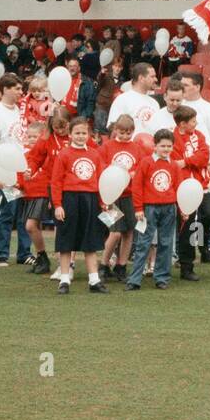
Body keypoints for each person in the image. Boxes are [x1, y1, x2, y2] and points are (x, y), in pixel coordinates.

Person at [50, 116, 108, 295]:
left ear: (89, 134)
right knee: (67, 241)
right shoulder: (64, 154)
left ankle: (94, 280)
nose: (81, 136)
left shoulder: (94, 154)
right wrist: (58, 205)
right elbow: (56, 181)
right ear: (70, 134)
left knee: (90, 242)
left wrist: (103, 201)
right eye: (77, 133)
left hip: (90, 200)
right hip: (70, 200)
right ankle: (65, 279)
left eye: (84, 133)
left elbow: (101, 180)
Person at [0, 73, 33, 268]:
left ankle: (24, 252)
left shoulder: (20, 111)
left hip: (23, 169)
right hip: (6, 170)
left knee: (24, 214)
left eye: (21, 88)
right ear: (5, 89)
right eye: (17, 88)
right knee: (8, 213)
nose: (21, 92)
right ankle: (2, 253)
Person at [127, 128, 181, 291]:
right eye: (163, 146)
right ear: (155, 146)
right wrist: (138, 208)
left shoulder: (174, 165)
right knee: (143, 243)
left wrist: (182, 206)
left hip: (169, 207)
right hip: (149, 208)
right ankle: (134, 279)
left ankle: (162, 277)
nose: (166, 149)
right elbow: (137, 186)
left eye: (169, 146)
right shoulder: (146, 162)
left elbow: (179, 186)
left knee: (166, 243)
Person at [22, 110, 70, 277]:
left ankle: (64, 264)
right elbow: (35, 158)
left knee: (61, 225)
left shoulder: (76, 136)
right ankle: (42, 257)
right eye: (57, 127)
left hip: (69, 187)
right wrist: (30, 170)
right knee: (30, 225)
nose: (61, 130)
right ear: (51, 126)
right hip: (47, 185)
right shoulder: (47, 138)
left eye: (63, 127)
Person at [172, 106, 210, 282]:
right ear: (182, 124)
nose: (196, 123)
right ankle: (186, 266)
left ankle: (203, 244)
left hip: (202, 185)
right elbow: (176, 163)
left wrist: (187, 161)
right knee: (187, 226)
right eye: (192, 121)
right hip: (184, 189)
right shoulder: (173, 138)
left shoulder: (199, 135)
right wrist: (190, 162)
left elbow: (204, 156)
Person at [98, 115, 143, 283]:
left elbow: (140, 166)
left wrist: (133, 173)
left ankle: (121, 266)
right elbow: (100, 165)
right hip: (111, 196)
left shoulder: (137, 148)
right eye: (122, 132)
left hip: (130, 195)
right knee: (115, 232)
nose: (125, 136)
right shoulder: (107, 147)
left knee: (129, 232)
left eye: (128, 133)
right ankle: (103, 265)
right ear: (115, 130)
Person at [107, 62, 160, 137]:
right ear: (141, 78)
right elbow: (112, 129)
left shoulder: (154, 103)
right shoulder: (123, 99)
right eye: (152, 76)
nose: (156, 79)